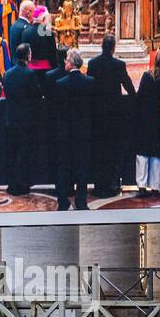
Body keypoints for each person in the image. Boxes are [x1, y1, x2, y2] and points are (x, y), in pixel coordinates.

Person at [86, 34, 137, 197]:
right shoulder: (119, 65)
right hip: (114, 115)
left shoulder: (93, 64)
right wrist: (134, 99)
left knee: (98, 150)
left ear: (102, 46)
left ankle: (99, 184)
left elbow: (89, 85)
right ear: (114, 48)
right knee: (113, 150)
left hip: (97, 115)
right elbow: (129, 87)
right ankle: (112, 184)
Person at [54, 48, 96, 211]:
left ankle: (63, 201)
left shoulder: (60, 84)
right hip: (84, 132)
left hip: (64, 132)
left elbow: (58, 111)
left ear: (71, 63)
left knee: (63, 167)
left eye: (66, 60)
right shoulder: (90, 82)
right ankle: (81, 201)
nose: (64, 62)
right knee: (82, 167)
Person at [2, 43, 43, 195]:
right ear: (28, 56)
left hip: (10, 119)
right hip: (26, 120)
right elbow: (37, 95)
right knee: (23, 154)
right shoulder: (30, 74)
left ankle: (12, 184)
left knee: (12, 153)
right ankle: (21, 184)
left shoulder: (8, 73)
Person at [134, 49, 160, 197]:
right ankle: (155, 187)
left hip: (144, 119)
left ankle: (141, 186)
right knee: (156, 154)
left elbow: (139, 97)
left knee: (142, 153)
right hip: (158, 119)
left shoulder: (146, 75)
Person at [23, 6, 60, 73]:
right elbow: (52, 54)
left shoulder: (25, 32)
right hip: (46, 70)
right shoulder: (48, 33)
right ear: (43, 19)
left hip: (29, 69)